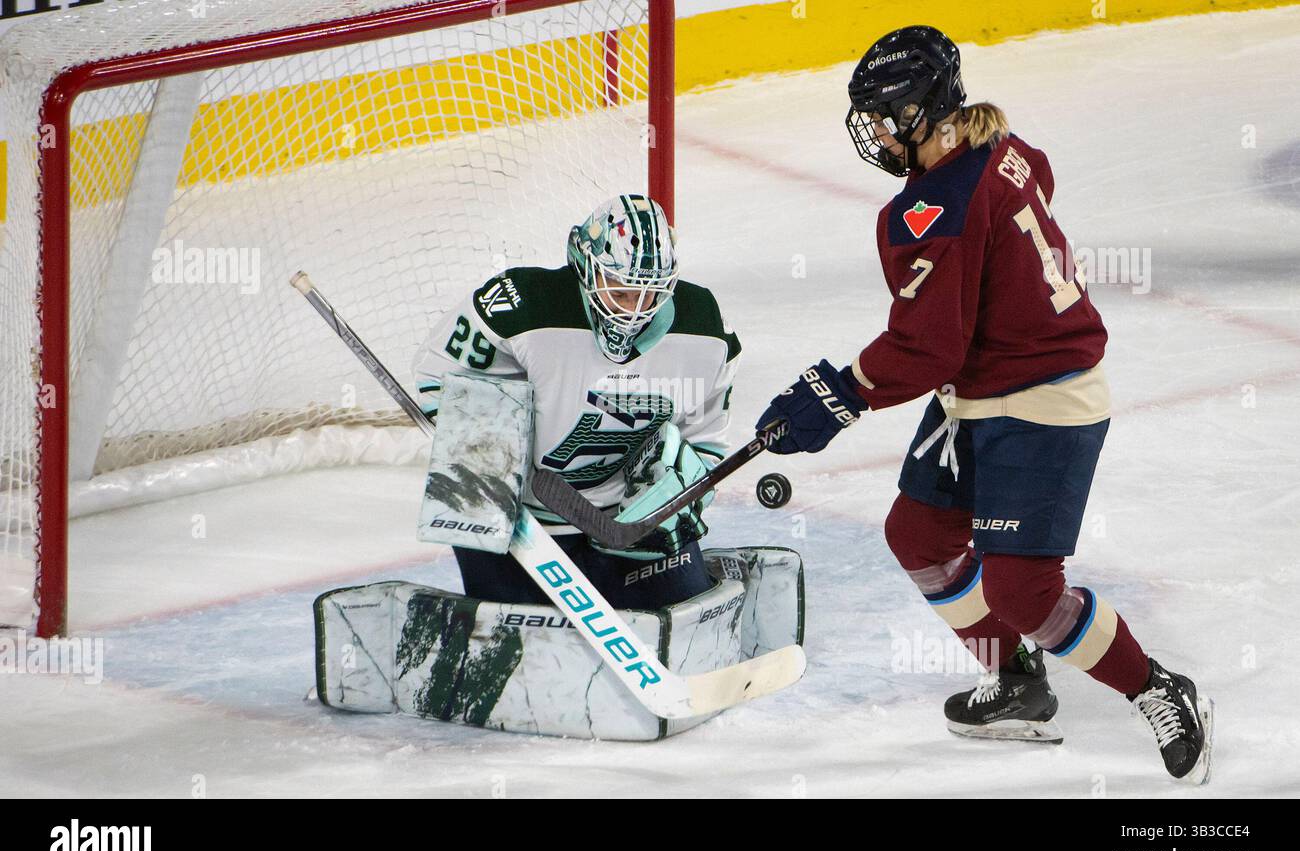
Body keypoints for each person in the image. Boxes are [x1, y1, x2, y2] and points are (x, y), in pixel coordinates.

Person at [755, 26, 1213, 783]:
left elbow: (925, 348)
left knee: (1020, 588)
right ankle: (1020, 682)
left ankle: (1157, 688)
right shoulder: (1002, 147)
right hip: (982, 387)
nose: (871, 131)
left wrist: (836, 393)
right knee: (918, 534)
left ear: (921, 113)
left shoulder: (934, 210)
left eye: (882, 114)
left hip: (1046, 398)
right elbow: (1038, 183)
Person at [413, 194, 741, 610]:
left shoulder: (705, 329)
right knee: (522, 651)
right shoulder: (521, 305)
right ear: (586, 265)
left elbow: (706, 439)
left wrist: (681, 494)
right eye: (621, 290)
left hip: (627, 526)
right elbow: (437, 378)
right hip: (522, 523)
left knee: (678, 620)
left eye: (651, 294)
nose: (635, 309)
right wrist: (494, 463)